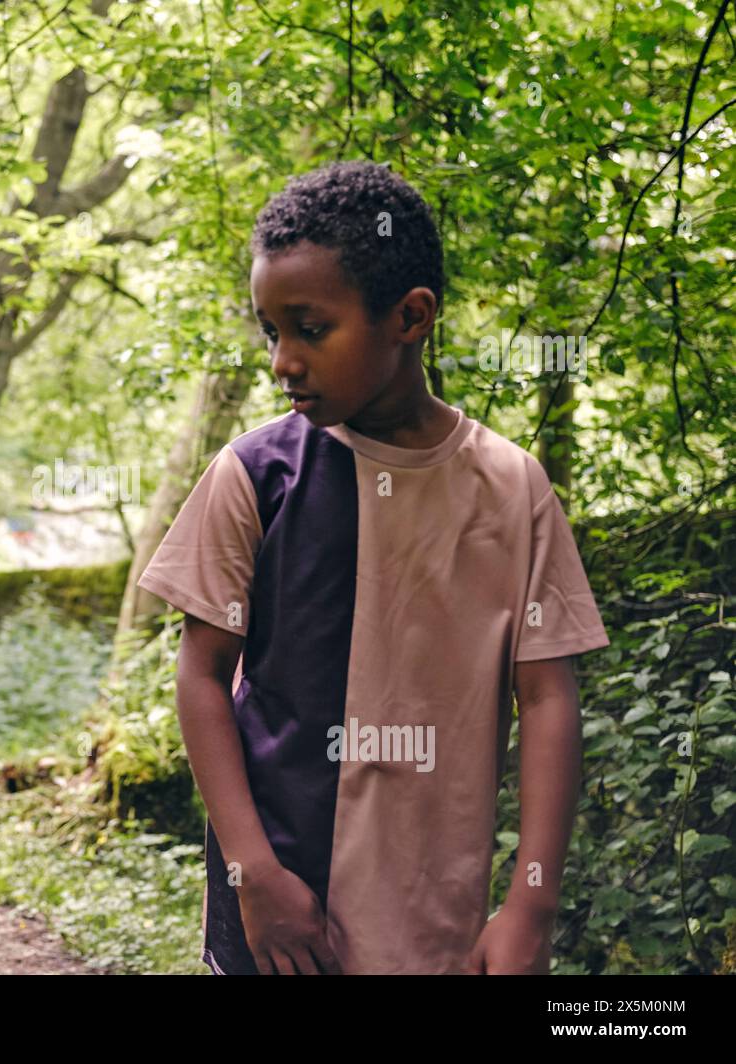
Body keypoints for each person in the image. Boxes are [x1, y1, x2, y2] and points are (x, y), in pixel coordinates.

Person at [136, 161, 609, 975]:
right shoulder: (253, 476)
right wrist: (254, 874)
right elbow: (202, 675)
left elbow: (547, 697)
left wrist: (531, 905)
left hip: (437, 920)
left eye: (310, 329)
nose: (283, 360)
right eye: (271, 332)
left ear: (410, 317)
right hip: (282, 919)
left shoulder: (511, 489)